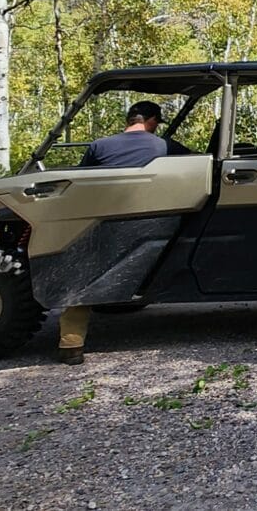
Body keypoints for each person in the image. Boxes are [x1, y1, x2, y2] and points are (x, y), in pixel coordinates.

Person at [58, 100, 189, 365]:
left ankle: (71, 345)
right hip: (153, 223)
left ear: (129, 120)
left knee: (84, 277)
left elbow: (82, 183)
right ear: (151, 121)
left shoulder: (99, 146)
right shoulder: (164, 146)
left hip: (106, 223)